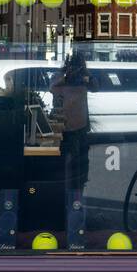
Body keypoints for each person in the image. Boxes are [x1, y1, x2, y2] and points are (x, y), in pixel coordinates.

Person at [49, 53, 92, 193]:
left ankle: (78, 187)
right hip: (62, 126)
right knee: (61, 161)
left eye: (78, 66)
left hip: (80, 127)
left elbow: (96, 86)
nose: (75, 69)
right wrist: (66, 76)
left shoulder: (83, 78)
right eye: (72, 65)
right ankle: (61, 188)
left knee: (80, 161)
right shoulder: (59, 76)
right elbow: (52, 87)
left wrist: (85, 77)